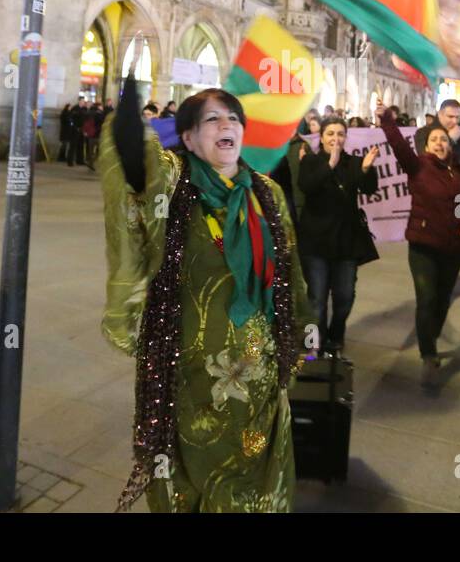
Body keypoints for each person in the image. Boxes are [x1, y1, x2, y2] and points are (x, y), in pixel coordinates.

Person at [101, 72, 314, 512]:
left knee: (253, 474)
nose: (226, 126)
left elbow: (290, 271)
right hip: (191, 371)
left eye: (233, 118)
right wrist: (127, 107)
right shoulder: (176, 185)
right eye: (212, 120)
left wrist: (298, 335)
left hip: (259, 369)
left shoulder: (266, 193)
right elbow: (134, 164)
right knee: (190, 479)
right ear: (190, 138)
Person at [378, 102, 460, 380]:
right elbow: (399, 146)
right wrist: (387, 121)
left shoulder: (458, 172)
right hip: (423, 247)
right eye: (434, 140)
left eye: (443, 140)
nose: (439, 143)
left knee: (442, 299)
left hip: (452, 248)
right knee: (426, 299)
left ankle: (431, 334)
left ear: (450, 145)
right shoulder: (419, 167)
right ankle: (428, 352)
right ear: (426, 146)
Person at [297, 117, 380, 355]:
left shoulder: (353, 162)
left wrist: (365, 169)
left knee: (345, 296)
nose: (336, 139)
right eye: (330, 133)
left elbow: (369, 188)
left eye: (340, 134)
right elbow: (307, 186)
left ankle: (336, 334)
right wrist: (329, 165)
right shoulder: (311, 161)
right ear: (321, 137)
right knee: (317, 298)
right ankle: (314, 342)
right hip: (316, 242)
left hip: (346, 241)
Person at [414, 98, 460, 171]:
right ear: (440, 114)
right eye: (450, 116)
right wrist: (451, 140)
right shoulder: (423, 132)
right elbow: (426, 161)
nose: (454, 121)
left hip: (459, 180)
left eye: (457, 117)